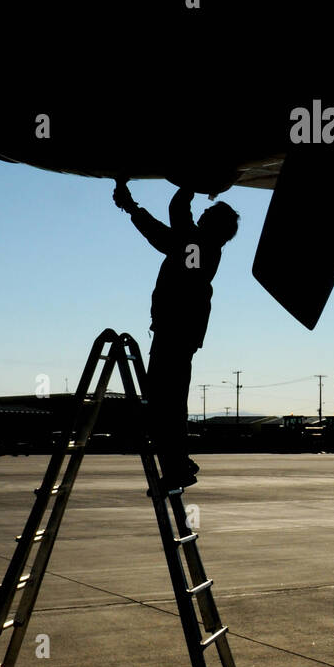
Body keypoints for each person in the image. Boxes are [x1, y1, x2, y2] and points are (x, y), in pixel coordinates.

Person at [113, 180, 240, 488]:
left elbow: (174, 216)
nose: (203, 214)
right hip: (180, 331)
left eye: (208, 213)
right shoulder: (199, 246)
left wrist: (190, 182)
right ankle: (178, 462)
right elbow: (165, 232)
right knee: (169, 401)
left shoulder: (197, 245)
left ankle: (177, 465)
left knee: (164, 402)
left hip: (175, 331)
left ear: (212, 225)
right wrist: (131, 208)